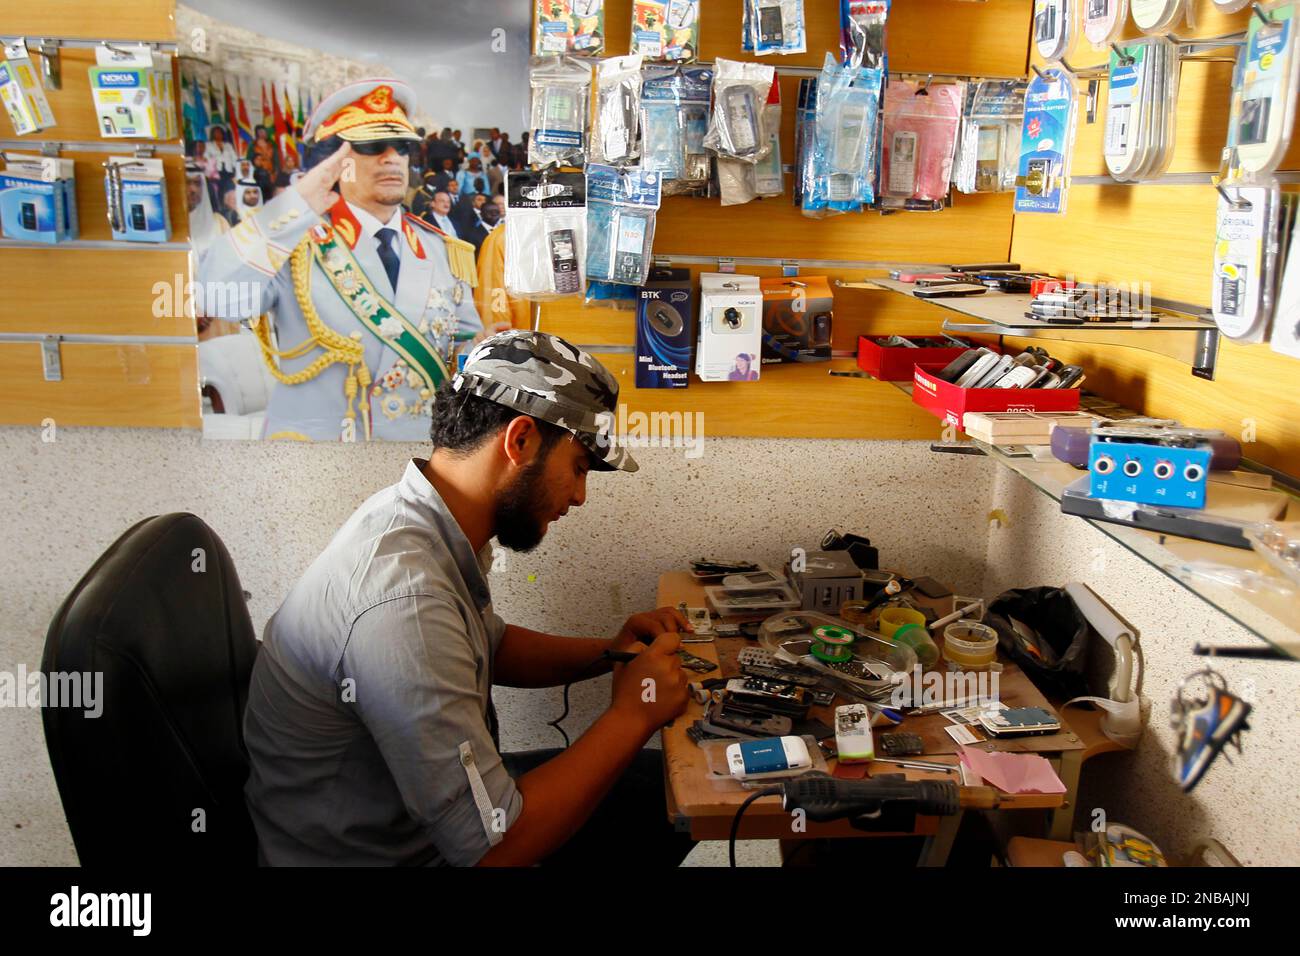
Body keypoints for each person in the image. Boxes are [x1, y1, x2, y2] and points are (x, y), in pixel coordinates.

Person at [242, 330, 695, 867]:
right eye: (577, 467)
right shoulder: (403, 603)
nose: (579, 495)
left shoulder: (423, 518)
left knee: (656, 789)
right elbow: (490, 850)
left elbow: (489, 643)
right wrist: (632, 714)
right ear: (520, 439)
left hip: (420, 825)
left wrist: (610, 653)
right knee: (673, 802)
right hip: (403, 857)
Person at [197, 79, 483, 441]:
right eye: (372, 145)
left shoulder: (441, 248)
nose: (391, 156)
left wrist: (490, 345)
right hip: (316, 457)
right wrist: (294, 205)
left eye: (402, 146)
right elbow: (217, 296)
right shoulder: (293, 242)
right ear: (334, 160)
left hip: (414, 456)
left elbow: (463, 347)